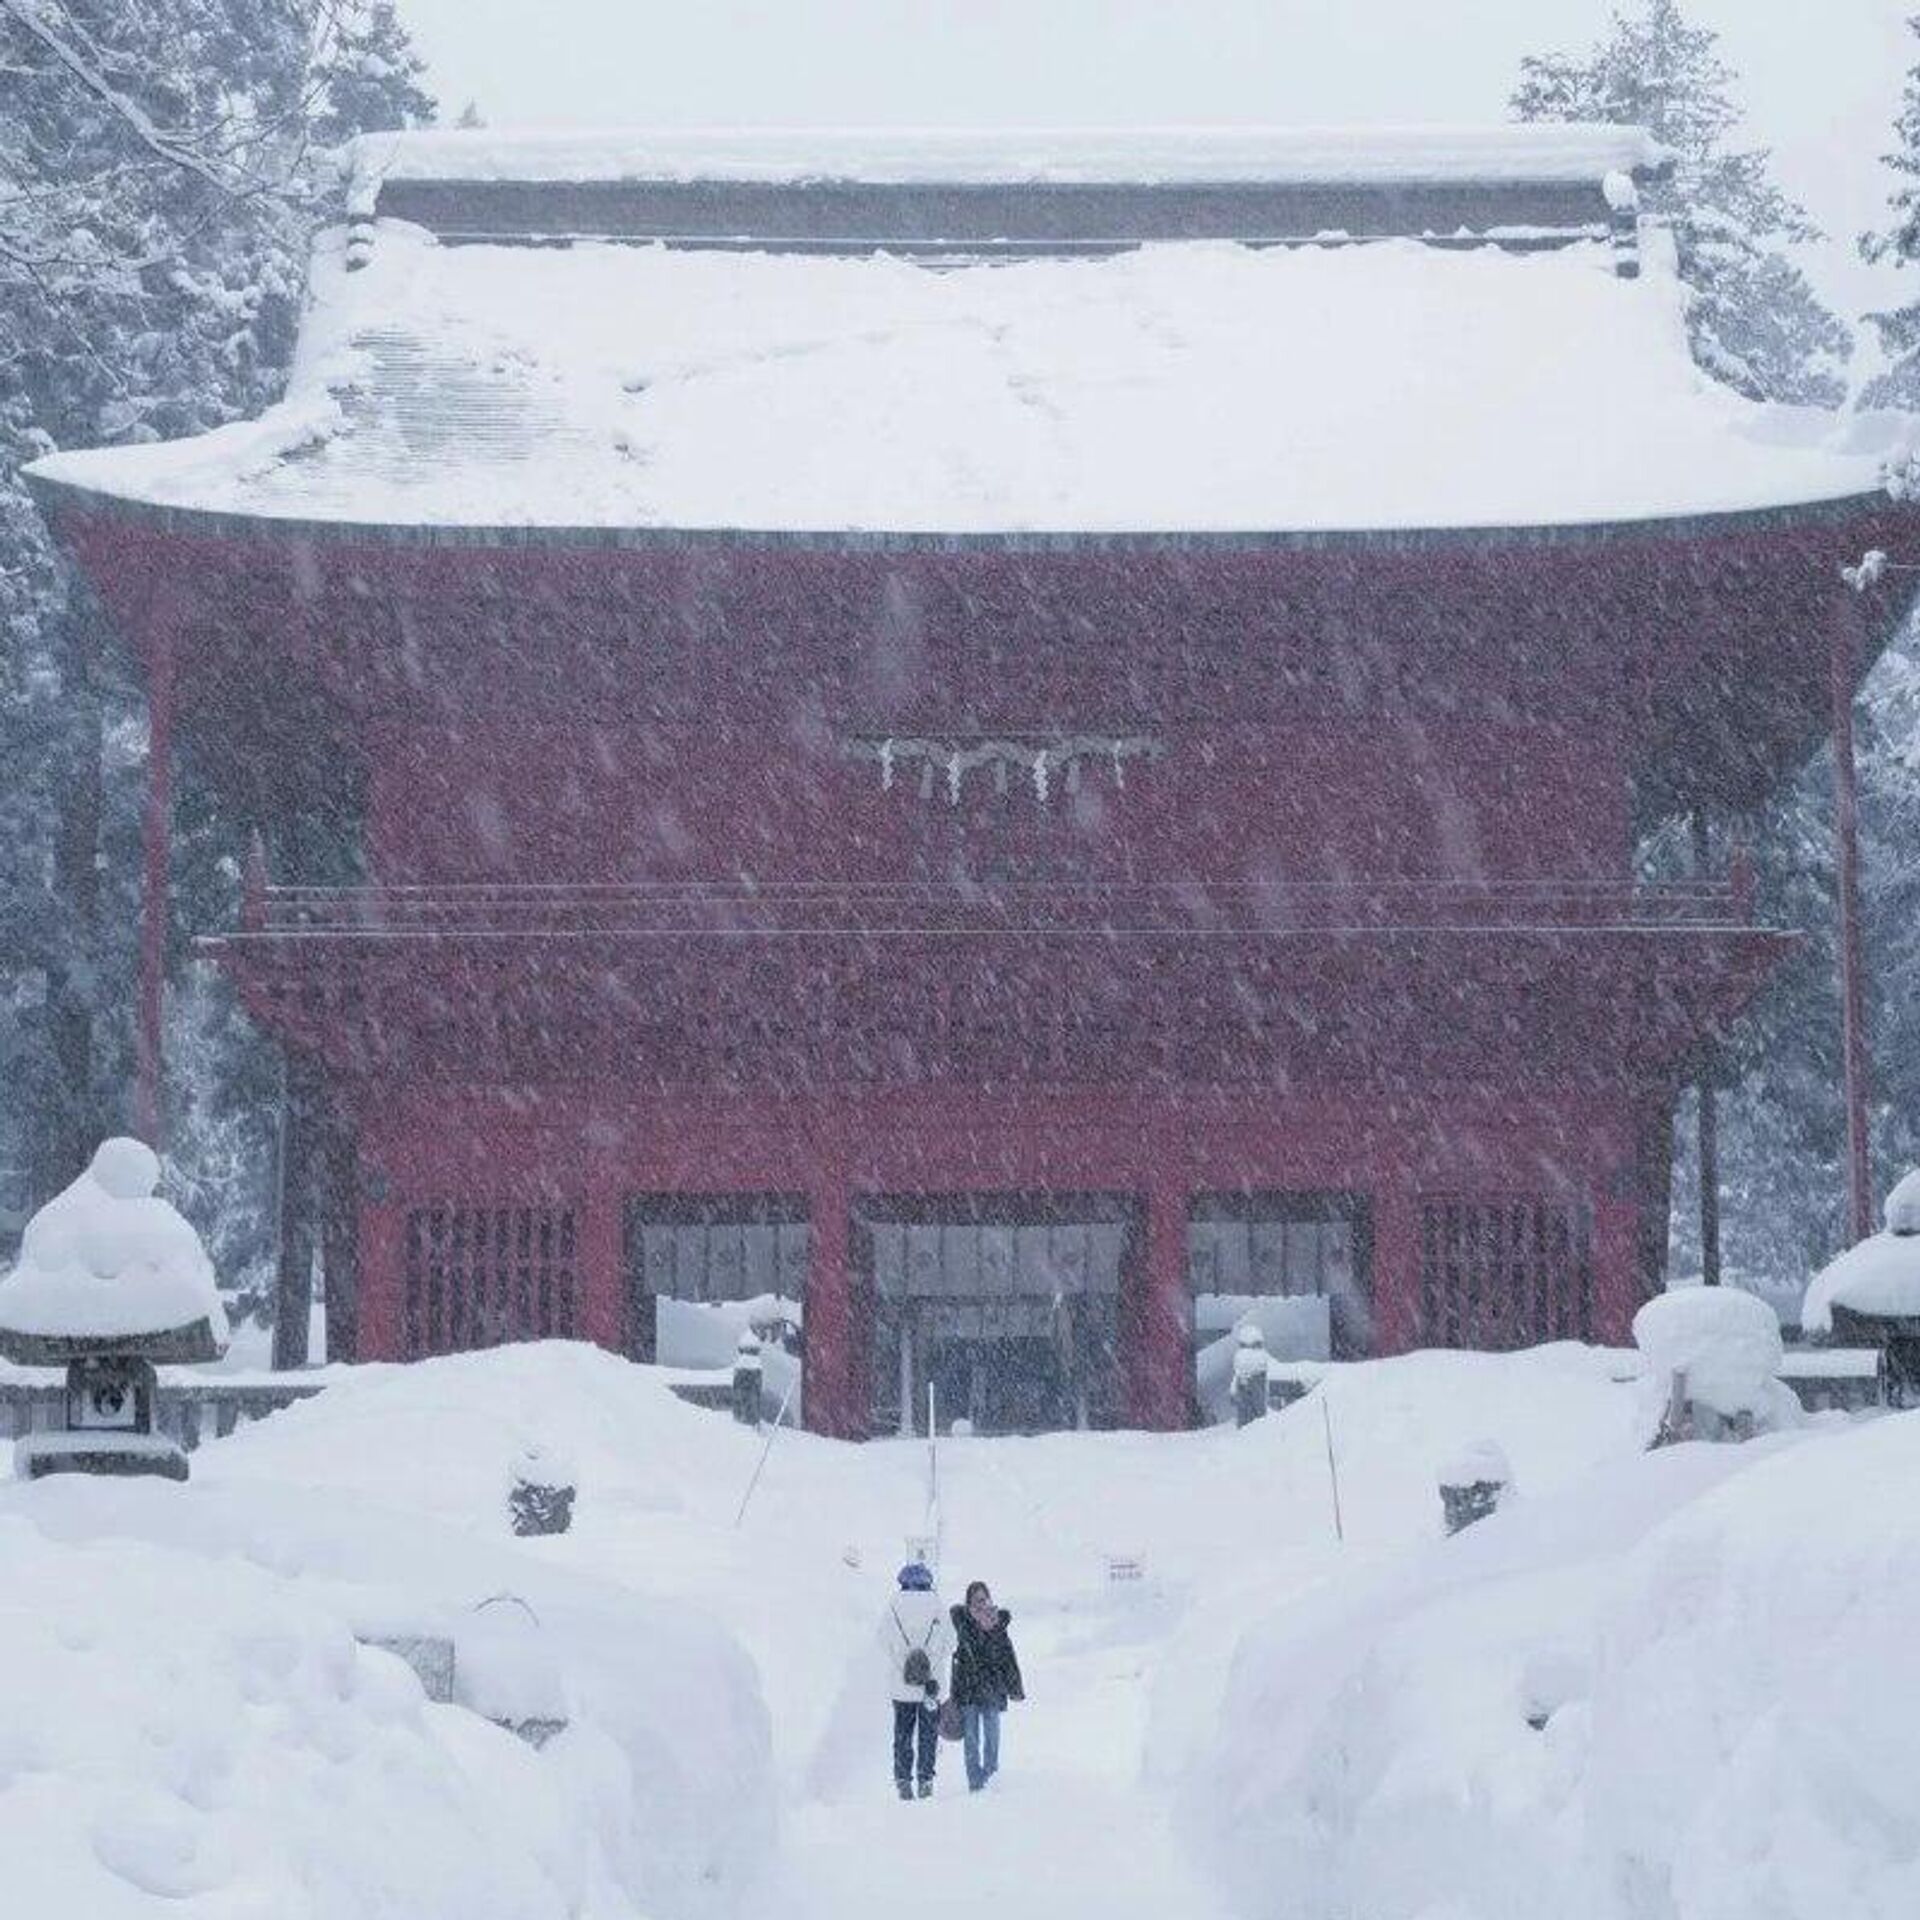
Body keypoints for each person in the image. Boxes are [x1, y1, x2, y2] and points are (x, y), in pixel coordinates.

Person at [881, 1561, 954, 1801]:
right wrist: (929, 1667)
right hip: (930, 1689)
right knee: (927, 1735)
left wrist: (903, 1664)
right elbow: (950, 1643)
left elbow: (883, 1641)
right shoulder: (937, 1605)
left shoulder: (893, 1605)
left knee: (902, 1733)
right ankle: (925, 1780)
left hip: (901, 1688)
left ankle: (903, 1781)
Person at [948, 1578, 1024, 1791]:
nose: (980, 1603)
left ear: (989, 1599)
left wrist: (1015, 1687)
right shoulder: (963, 1623)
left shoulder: (997, 1624)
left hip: (992, 1688)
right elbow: (958, 1656)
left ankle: (990, 1778)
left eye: (983, 1598)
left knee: (992, 1737)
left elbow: (1008, 1656)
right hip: (968, 1689)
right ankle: (975, 1782)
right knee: (971, 1739)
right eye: (975, 1599)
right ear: (969, 1602)